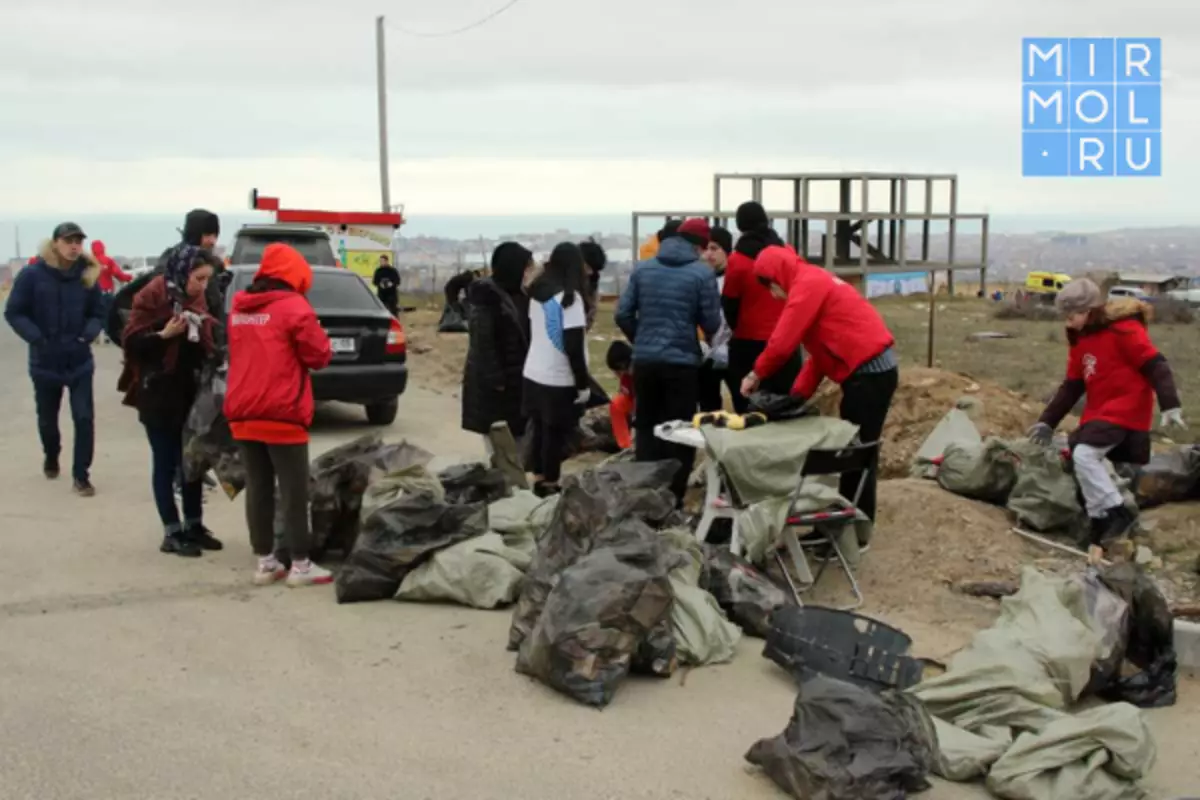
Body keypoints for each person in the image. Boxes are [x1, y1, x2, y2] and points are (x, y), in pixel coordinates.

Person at [1028, 279, 1186, 564]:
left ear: (1089, 310)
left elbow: (1156, 364)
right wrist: (1046, 422)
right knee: (1081, 457)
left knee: (1085, 454)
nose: (1069, 321)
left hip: (1127, 409)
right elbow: (1071, 387)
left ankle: (1117, 510)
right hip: (1101, 412)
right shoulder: (1080, 342)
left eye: (1072, 314)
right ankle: (1100, 521)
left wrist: (1170, 404)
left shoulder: (1124, 329)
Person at [743, 245, 898, 532]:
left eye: (772, 288)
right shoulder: (815, 280)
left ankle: (852, 529)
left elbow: (782, 342)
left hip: (869, 375)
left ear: (776, 276)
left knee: (856, 452)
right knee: (854, 449)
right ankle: (844, 523)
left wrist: (755, 374)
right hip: (869, 372)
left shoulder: (806, 286)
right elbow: (820, 356)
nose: (774, 295)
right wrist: (797, 395)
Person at [224, 243, 334, 587]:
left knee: (257, 487)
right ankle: (300, 565)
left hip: (243, 410)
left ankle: (266, 562)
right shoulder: (294, 307)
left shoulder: (240, 308)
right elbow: (319, 355)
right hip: (282, 411)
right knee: (293, 491)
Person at [120, 244, 221, 557]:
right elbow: (132, 343)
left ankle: (194, 524)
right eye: (198, 278)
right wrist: (163, 335)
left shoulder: (196, 299)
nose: (202, 286)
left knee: (191, 462)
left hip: (190, 394)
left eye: (206, 280)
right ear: (183, 271)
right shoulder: (152, 296)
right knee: (165, 464)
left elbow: (207, 342)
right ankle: (171, 531)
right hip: (158, 394)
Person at [615, 217, 722, 502]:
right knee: (680, 431)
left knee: (647, 424)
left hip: (646, 362)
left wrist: (643, 339)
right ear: (698, 245)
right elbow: (711, 322)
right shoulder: (701, 274)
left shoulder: (644, 268)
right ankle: (673, 496)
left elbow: (622, 314)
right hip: (682, 363)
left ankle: (645, 493)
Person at [5, 222, 105, 496]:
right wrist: (36, 337)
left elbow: (99, 311)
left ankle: (81, 476)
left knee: (84, 418)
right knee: (48, 420)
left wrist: (89, 334)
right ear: (55, 243)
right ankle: (52, 454)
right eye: (69, 240)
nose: (74, 246)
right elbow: (14, 312)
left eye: (78, 241)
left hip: (79, 360)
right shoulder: (32, 275)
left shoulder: (87, 276)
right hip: (45, 360)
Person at [523, 243, 591, 497]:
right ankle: (550, 483)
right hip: (557, 376)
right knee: (555, 434)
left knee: (540, 429)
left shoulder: (536, 293)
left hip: (533, 370)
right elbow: (572, 345)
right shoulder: (569, 299)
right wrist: (582, 384)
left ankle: (539, 477)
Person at [722, 202, 800, 412]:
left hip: (749, 343)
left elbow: (729, 303)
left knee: (748, 409)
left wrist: (736, 329)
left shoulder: (737, 261)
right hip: (787, 339)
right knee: (786, 408)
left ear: (740, 226)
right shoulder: (787, 252)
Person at [461, 242, 533, 440]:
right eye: (526, 268)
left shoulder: (521, 296)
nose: (528, 273)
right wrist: (497, 381)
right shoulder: (487, 297)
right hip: (496, 389)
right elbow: (482, 345)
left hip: (516, 385)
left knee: (517, 444)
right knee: (501, 447)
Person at [698, 226, 737, 412]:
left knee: (742, 401)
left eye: (714, 248)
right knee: (708, 407)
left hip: (733, 350)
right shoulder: (705, 279)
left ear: (726, 250)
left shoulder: (735, 278)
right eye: (706, 249)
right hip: (709, 354)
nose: (709, 254)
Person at [91, 240, 132, 343]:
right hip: (107, 292)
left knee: (95, 315)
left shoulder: (89, 262)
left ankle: (96, 335)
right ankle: (107, 335)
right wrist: (129, 278)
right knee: (109, 314)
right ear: (103, 248)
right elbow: (118, 274)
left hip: (93, 295)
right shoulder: (108, 261)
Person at [606, 340, 635, 451]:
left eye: (616, 371)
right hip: (632, 401)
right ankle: (624, 444)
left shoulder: (639, 369)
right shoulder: (625, 377)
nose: (616, 374)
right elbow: (623, 392)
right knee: (616, 405)